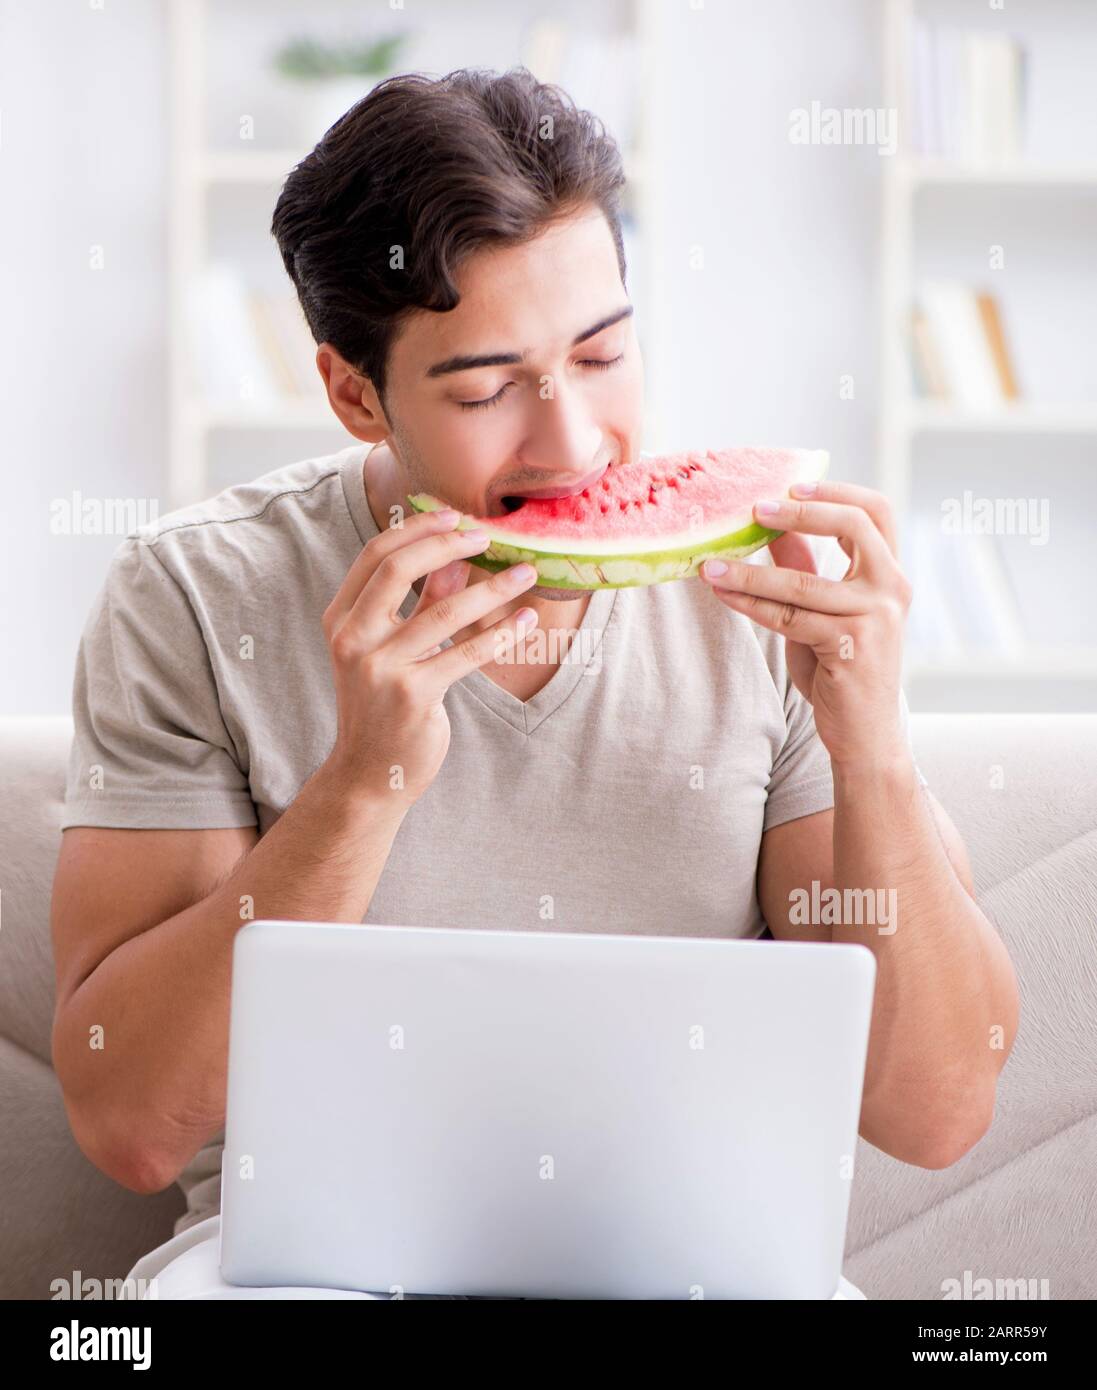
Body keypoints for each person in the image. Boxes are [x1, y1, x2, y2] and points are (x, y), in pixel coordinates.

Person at [50, 67, 1018, 1302]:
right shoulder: (193, 597)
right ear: (354, 392)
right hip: (294, 1273)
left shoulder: (768, 592)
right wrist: (360, 790)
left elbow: (932, 1111)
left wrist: (870, 741)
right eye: (485, 386)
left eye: (603, 355)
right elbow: (132, 1122)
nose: (570, 444)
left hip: (690, 1270)